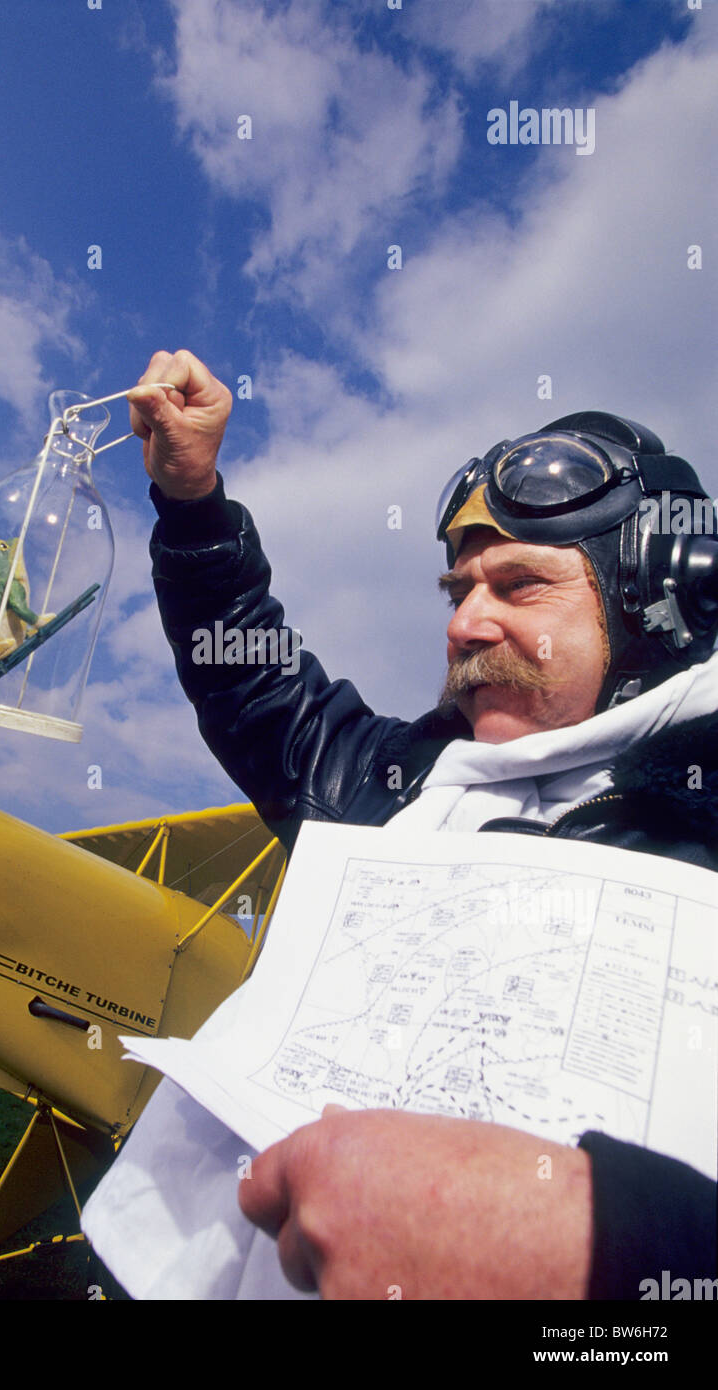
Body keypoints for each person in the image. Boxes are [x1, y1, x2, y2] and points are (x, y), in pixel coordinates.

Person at [88, 349, 717, 1301]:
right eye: (458, 591)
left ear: (661, 607)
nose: (466, 623)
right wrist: (189, 498)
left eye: (518, 586)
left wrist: (613, 1248)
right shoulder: (394, 787)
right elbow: (251, 680)